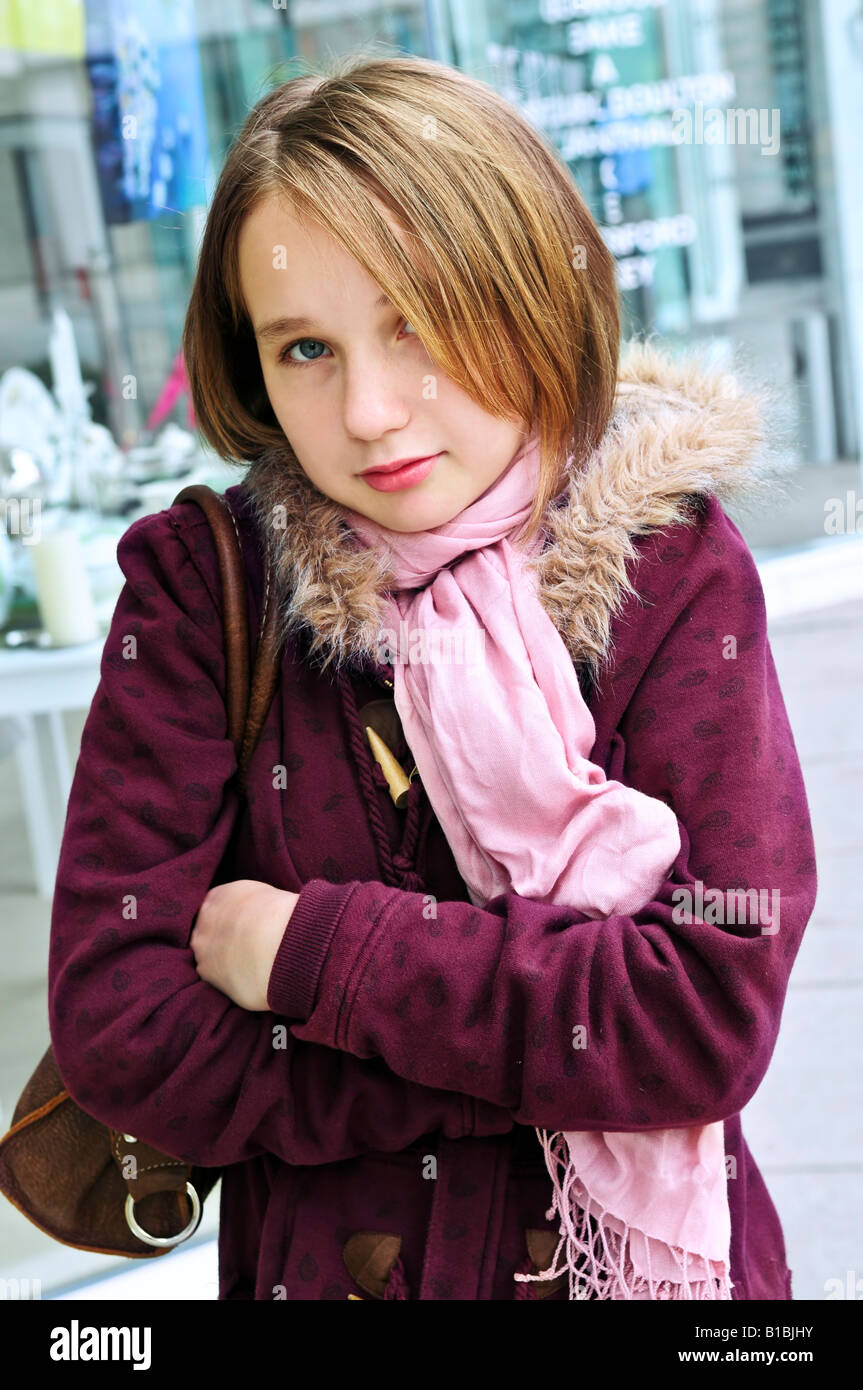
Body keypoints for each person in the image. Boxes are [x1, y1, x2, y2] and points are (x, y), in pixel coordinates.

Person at [48, 53, 817, 1300]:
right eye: (305, 347)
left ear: (523, 289)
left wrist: (320, 959)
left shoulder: (667, 568)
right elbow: (123, 1034)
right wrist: (545, 1041)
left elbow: (704, 1016)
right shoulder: (206, 590)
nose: (368, 411)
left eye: (418, 323)